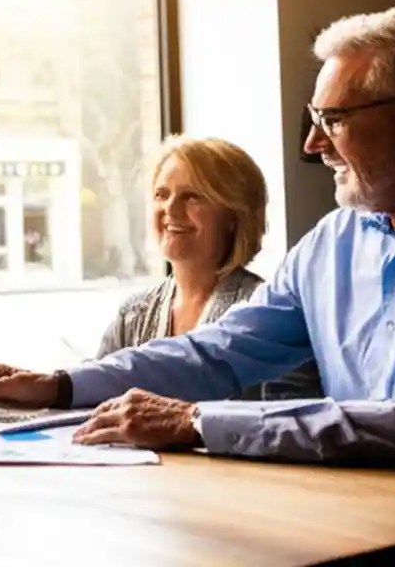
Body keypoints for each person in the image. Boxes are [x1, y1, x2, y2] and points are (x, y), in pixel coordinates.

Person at [0, 8, 395, 480]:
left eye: (332, 119)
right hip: (360, 515)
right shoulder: (334, 240)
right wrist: (58, 385)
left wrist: (197, 422)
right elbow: (219, 351)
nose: (313, 144)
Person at [95, 136, 321, 401]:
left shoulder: (268, 312)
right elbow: (91, 402)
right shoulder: (133, 314)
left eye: (192, 197)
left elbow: (287, 421)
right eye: (161, 194)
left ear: (233, 217)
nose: (170, 208)